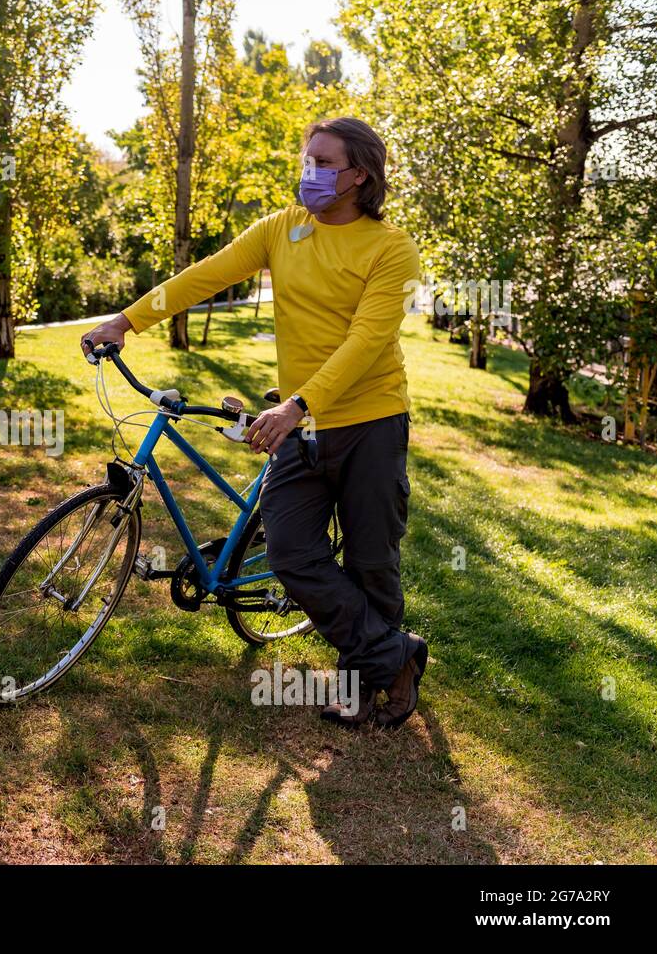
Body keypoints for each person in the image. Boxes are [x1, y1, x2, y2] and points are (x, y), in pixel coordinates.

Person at [80, 117, 428, 729]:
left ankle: (364, 680)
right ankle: (395, 656)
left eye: (324, 164)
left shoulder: (390, 247)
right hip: (302, 425)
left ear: (359, 176)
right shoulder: (280, 229)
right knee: (294, 555)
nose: (309, 173)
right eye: (307, 160)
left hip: (370, 422)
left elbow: (368, 340)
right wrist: (126, 321)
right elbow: (204, 276)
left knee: (372, 562)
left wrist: (298, 404)